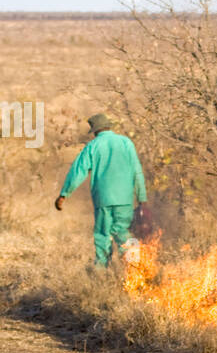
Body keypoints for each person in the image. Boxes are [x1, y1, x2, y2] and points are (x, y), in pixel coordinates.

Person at [55, 113, 148, 268]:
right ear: (109, 126)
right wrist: (142, 199)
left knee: (102, 236)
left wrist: (64, 194)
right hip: (125, 199)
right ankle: (135, 270)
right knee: (124, 233)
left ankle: (101, 272)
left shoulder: (93, 146)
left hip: (103, 199)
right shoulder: (126, 143)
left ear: (95, 131)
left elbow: (78, 171)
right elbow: (137, 172)